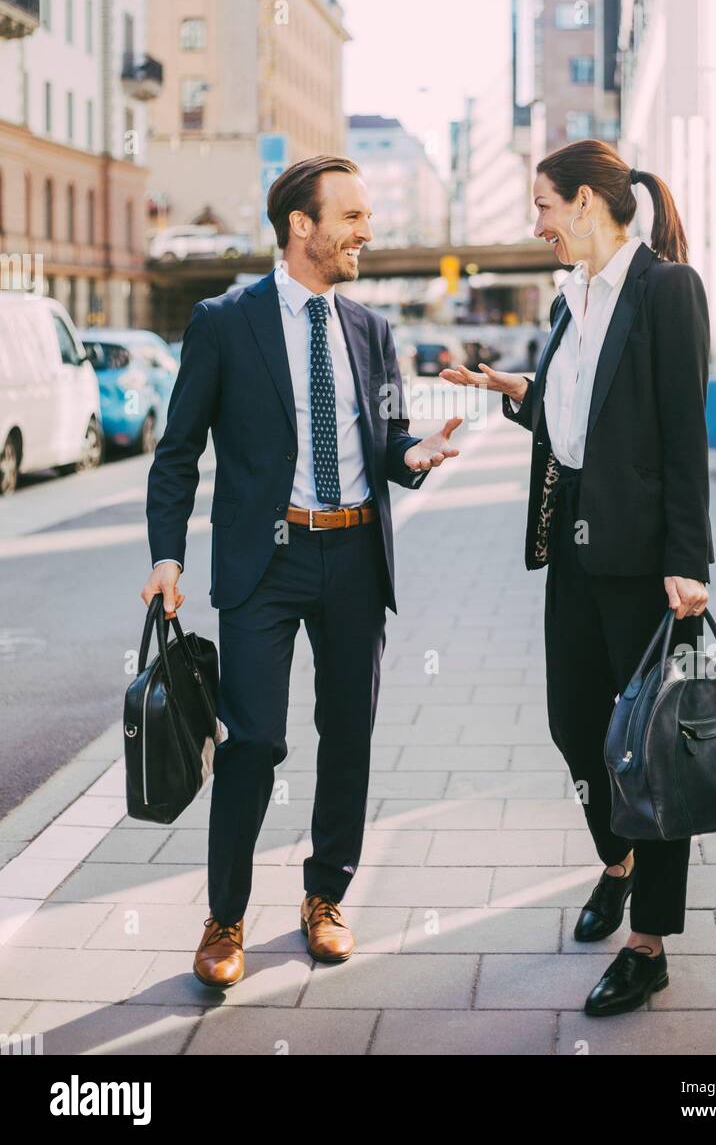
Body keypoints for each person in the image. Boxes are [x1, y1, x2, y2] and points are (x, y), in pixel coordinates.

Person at [142, 155, 461, 988]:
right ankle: (225, 919)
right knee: (253, 740)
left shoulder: (372, 331)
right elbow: (177, 454)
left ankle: (326, 896)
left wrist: (415, 456)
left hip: (355, 555)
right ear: (301, 227)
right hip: (266, 561)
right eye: (353, 217)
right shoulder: (224, 321)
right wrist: (167, 556)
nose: (368, 231)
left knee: (348, 731)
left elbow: (389, 442)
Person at [442, 138, 713, 1016]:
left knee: (653, 749)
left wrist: (688, 559)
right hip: (573, 548)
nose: (538, 224)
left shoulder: (667, 290)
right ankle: (618, 858)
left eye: (545, 207)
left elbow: (682, 433)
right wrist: (510, 390)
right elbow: (573, 416)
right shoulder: (571, 300)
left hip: (643, 562)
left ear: (589, 203)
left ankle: (649, 942)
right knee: (574, 726)